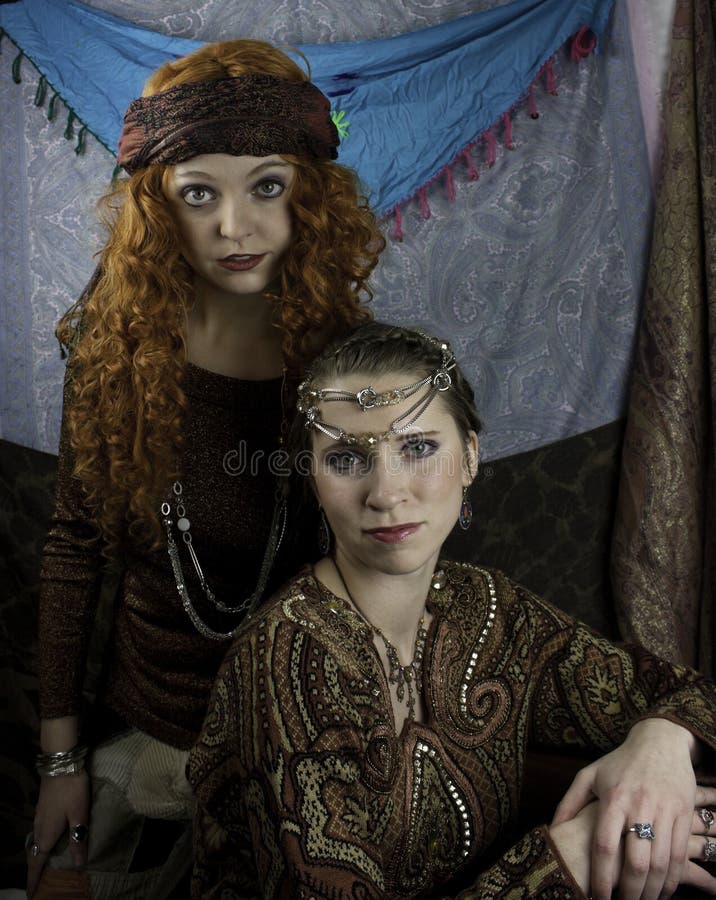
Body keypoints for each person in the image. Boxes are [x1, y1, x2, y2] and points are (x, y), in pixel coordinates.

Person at [27, 39, 385, 900]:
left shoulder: (345, 361)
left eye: (267, 185)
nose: (235, 228)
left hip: (295, 731)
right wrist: (60, 763)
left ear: (309, 195)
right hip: (141, 729)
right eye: (199, 195)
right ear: (159, 210)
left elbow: (380, 572)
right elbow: (75, 550)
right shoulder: (112, 349)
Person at [188, 322, 716, 899]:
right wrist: (568, 857)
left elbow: (687, 693)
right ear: (313, 479)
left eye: (417, 448)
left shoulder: (491, 611)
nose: (387, 493)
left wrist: (660, 746)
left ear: (469, 458)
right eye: (345, 459)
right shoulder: (289, 660)